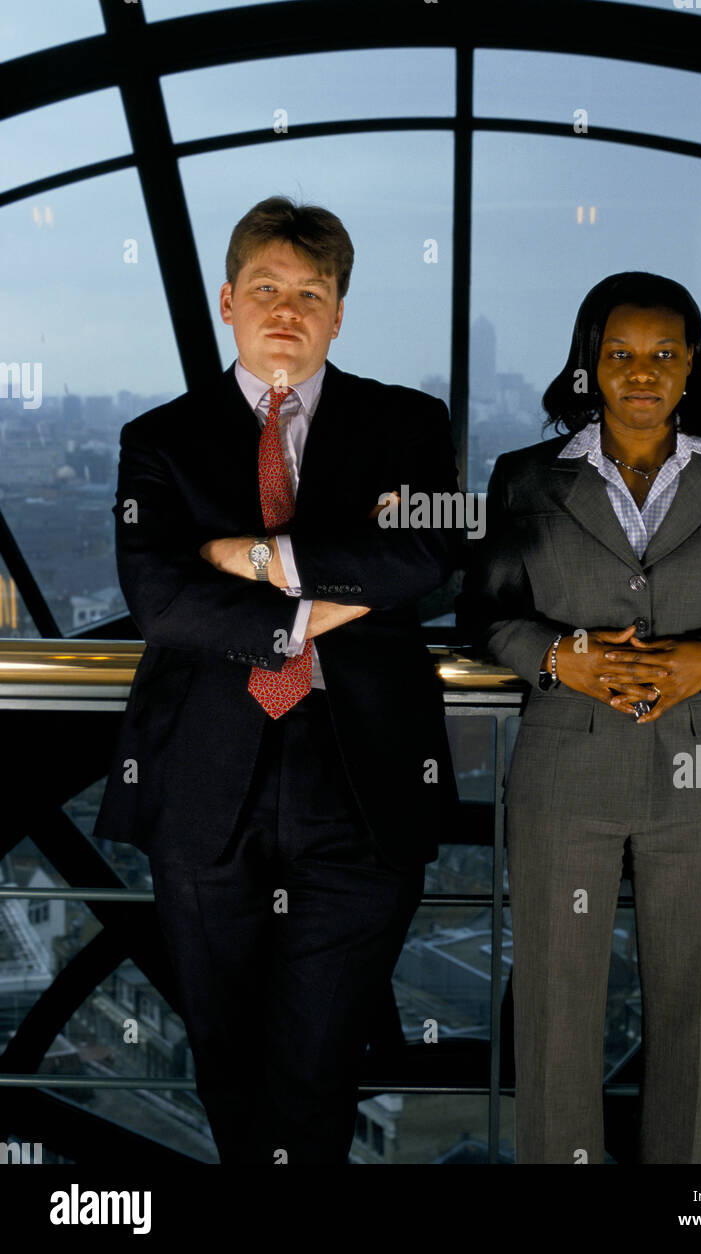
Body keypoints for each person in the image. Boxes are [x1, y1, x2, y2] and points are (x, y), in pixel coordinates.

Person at [95, 194, 460, 1164]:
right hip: (206, 786)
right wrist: (331, 591)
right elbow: (160, 599)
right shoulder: (159, 439)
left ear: (340, 310)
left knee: (315, 1069)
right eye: (266, 287)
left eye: (312, 291)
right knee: (227, 1061)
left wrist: (255, 561)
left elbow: (427, 549)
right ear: (226, 300)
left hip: (363, 784)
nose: (287, 309)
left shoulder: (409, 423)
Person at [459, 271, 701, 1164]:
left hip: (699, 777)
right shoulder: (525, 478)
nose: (640, 373)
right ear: (589, 365)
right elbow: (485, 617)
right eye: (619, 354)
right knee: (555, 1019)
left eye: (661, 355)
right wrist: (559, 659)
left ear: (689, 367)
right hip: (565, 772)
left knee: (693, 1018)